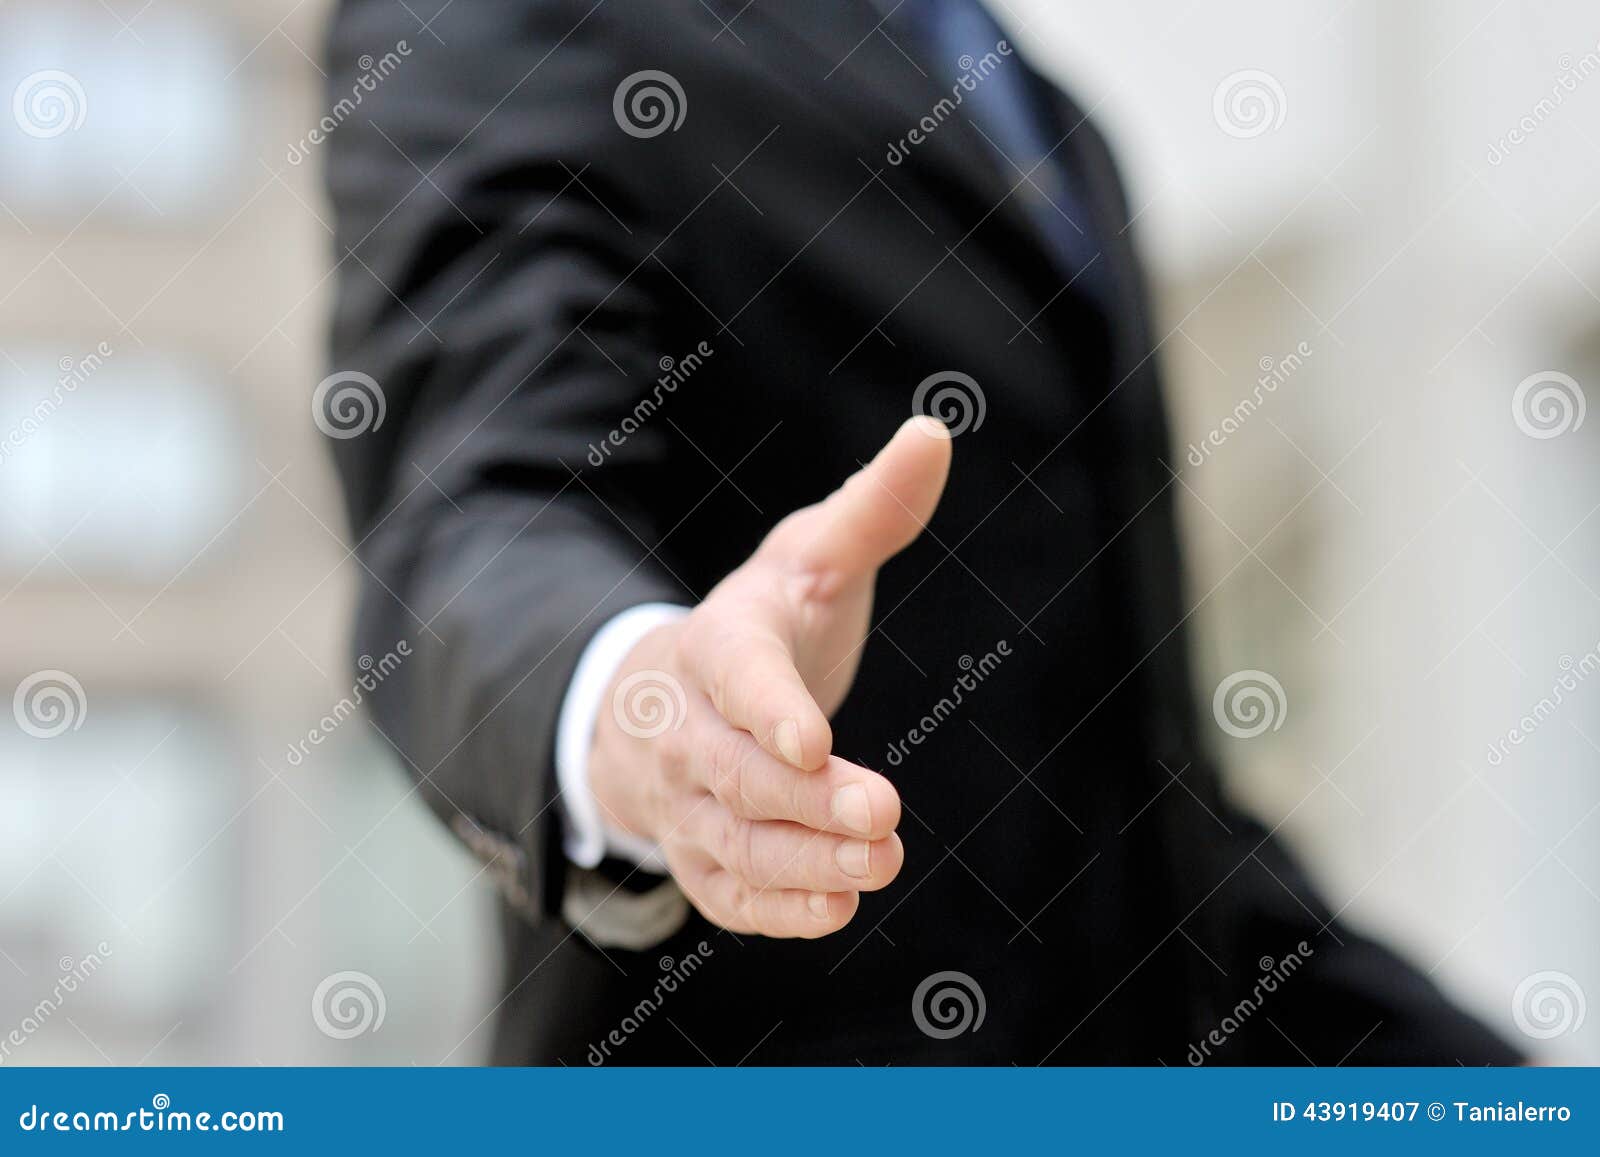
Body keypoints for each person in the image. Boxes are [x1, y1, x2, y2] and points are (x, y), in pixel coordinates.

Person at [322, 0, 1518, 1064]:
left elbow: (1150, 825)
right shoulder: (516, 19)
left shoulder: (1048, 118)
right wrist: (642, 700)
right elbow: (476, 511)